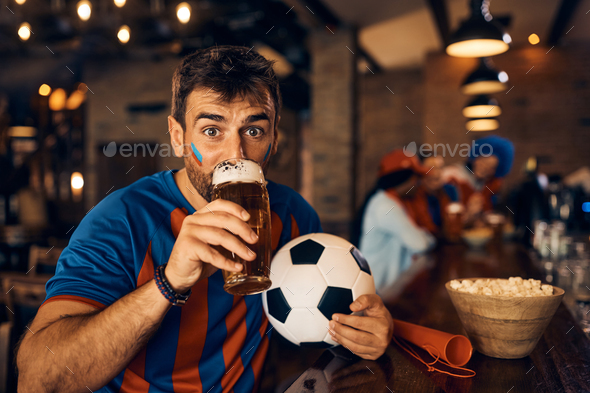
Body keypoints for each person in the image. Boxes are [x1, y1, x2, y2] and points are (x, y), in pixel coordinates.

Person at [16, 46, 393, 393]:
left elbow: (318, 322)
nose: (236, 154)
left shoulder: (294, 216)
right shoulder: (120, 221)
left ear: (274, 139)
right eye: (212, 131)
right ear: (179, 137)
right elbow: (37, 379)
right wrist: (169, 282)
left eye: (254, 130)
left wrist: (365, 330)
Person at [357, 149, 436, 292]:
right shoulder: (385, 206)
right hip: (377, 290)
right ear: (407, 180)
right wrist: (430, 238)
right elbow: (420, 244)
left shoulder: (389, 200)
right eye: (416, 178)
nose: (419, 184)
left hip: (384, 287)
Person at [442, 135, 514, 225]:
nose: (485, 168)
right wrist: (469, 213)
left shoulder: (489, 186)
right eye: (483, 162)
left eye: (491, 167)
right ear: (475, 158)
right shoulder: (451, 178)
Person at [406, 155, 459, 236]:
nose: (436, 173)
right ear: (419, 172)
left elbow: (455, 225)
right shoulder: (413, 194)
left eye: (440, 168)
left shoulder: (450, 190)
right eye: (430, 168)